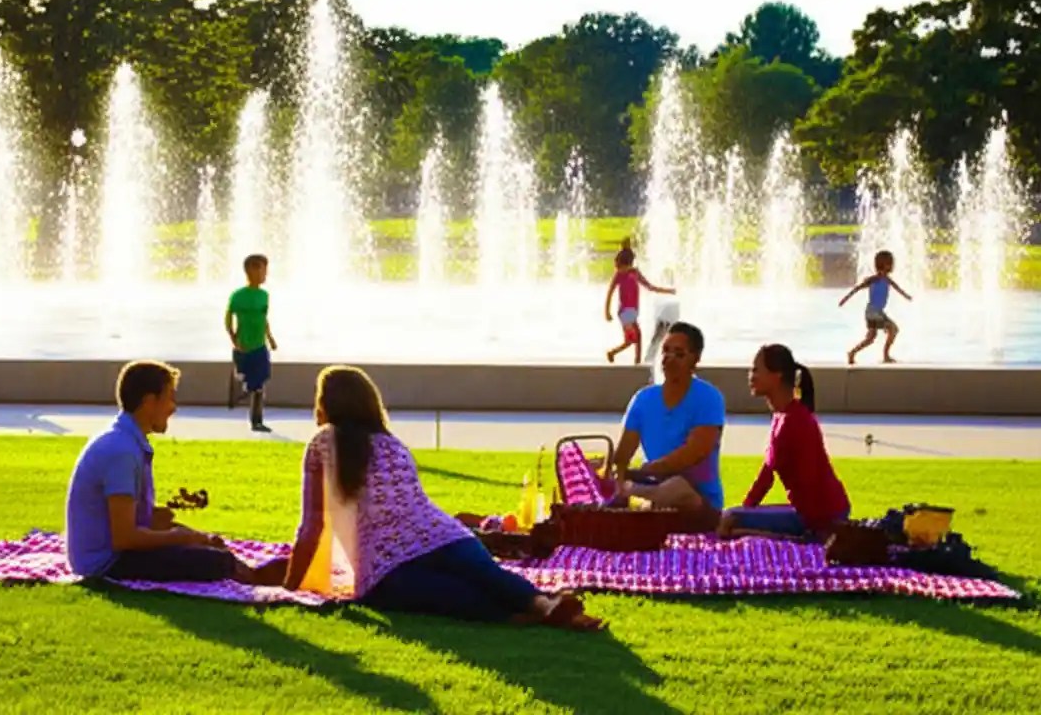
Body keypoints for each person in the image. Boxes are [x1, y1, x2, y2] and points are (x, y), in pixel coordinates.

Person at [283, 365, 603, 631]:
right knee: (490, 575)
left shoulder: (323, 442)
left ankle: (524, 616)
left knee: (451, 596)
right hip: (445, 535)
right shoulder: (391, 444)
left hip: (387, 567)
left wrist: (289, 589)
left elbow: (312, 527)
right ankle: (544, 604)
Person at [65, 360, 273, 584]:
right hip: (105, 563)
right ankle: (257, 581)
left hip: (111, 553)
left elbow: (132, 519)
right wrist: (179, 538)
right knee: (215, 562)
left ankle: (253, 574)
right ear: (149, 402)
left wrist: (196, 537)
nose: (174, 407)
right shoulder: (121, 451)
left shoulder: (125, 441)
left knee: (208, 549)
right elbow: (124, 537)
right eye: (170, 397)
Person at [719, 345, 851, 540]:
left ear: (776, 376)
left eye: (756, 370)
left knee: (730, 519)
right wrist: (745, 509)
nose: (750, 375)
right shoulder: (783, 416)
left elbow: (810, 481)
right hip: (813, 512)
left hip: (821, 517)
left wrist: (816, 528)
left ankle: (799, 539)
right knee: (731, 518)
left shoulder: (794, 420)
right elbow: (767, 475)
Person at [610, 322, 726, 511]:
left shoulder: (709, 398)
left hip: (698, 501)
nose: (669, 359)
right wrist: (617, 475)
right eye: (665, 351)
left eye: (679, 354)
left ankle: (637, 493)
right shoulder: (643, 399)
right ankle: (638, 497)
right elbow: (622, 457)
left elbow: (693, 453)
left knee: (677, 487)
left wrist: (645, 472)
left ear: (695, 359)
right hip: (656, 495)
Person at [226, 254, 278, 433]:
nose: (265, 275)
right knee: (249, 380)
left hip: (260, 346)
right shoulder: (238, 296)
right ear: (252, 271)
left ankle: (257, 420)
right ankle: (241, 390)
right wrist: (233, 338)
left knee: (261, 382)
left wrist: (270, 338)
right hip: (244, 346)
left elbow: (264, 318)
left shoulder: (264, 296)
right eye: (263, 270)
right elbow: (228, 317)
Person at [604, 242, 675, 364]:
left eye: (618, 265)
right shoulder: (619, 275)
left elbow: (650, 287)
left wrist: (667, 291)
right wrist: (607, 311)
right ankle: (634, 361)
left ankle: (617, 354)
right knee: (635, 336)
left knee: (632, 339)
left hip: (633, 311)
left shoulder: (635, 273)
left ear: (625, 263)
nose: (616, 267)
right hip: (625, 311)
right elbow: (610, 292)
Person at [839, 250, 912, 364]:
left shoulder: (887, 280)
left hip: (875, 312)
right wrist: (845, 299)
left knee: (871, 338)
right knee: (892, 329)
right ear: (884, 264)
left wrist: (906, 296)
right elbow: (858, 288)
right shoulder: (874, 279)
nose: (893, 266)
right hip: (873, 312)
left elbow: (897, 288)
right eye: (891, 263)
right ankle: (886, 356)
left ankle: (852, 353)